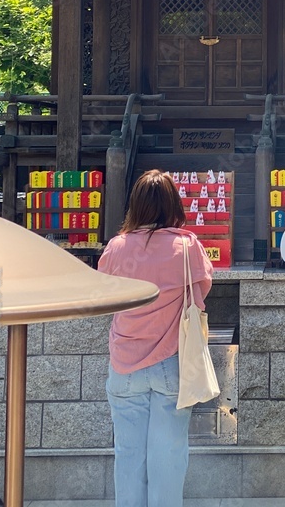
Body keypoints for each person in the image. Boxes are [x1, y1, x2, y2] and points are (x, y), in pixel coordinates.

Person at [98, 169, 213, 507]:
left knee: (129, 460)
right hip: (170, 363)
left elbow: (105, 293)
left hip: (124, 365)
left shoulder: (118, 247)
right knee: (169, 460)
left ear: (135, 206)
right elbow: (201, 291)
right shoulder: (186, 245)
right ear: (172, 204)